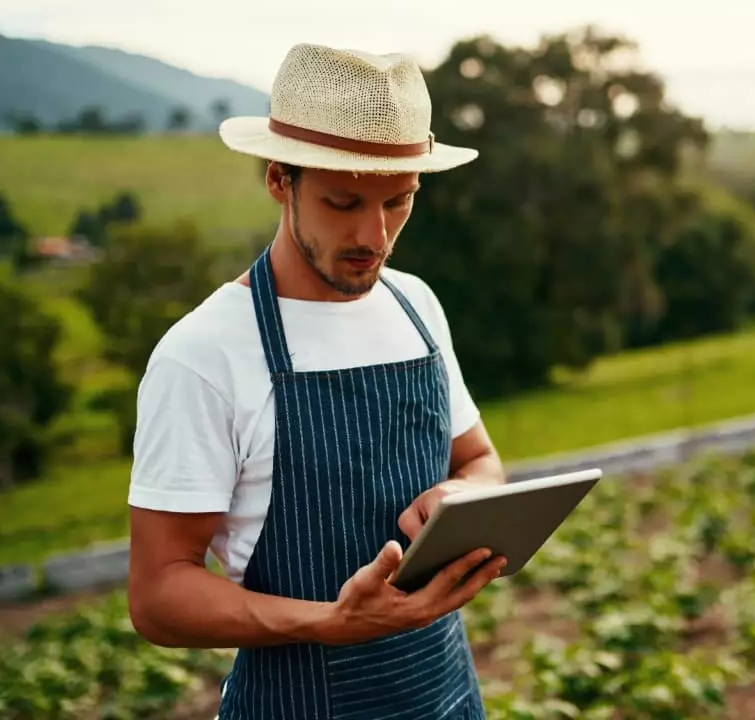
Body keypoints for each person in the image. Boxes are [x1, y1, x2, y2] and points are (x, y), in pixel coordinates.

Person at [125, 42, 508, 720]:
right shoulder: (205, 353)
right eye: (342, 202)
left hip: (447, 698)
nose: (376, 235)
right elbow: (159, 596)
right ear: (279, 179)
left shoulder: (415, 305)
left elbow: (479, 460)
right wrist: (329, 621)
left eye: (399, 202)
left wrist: (458, 495)